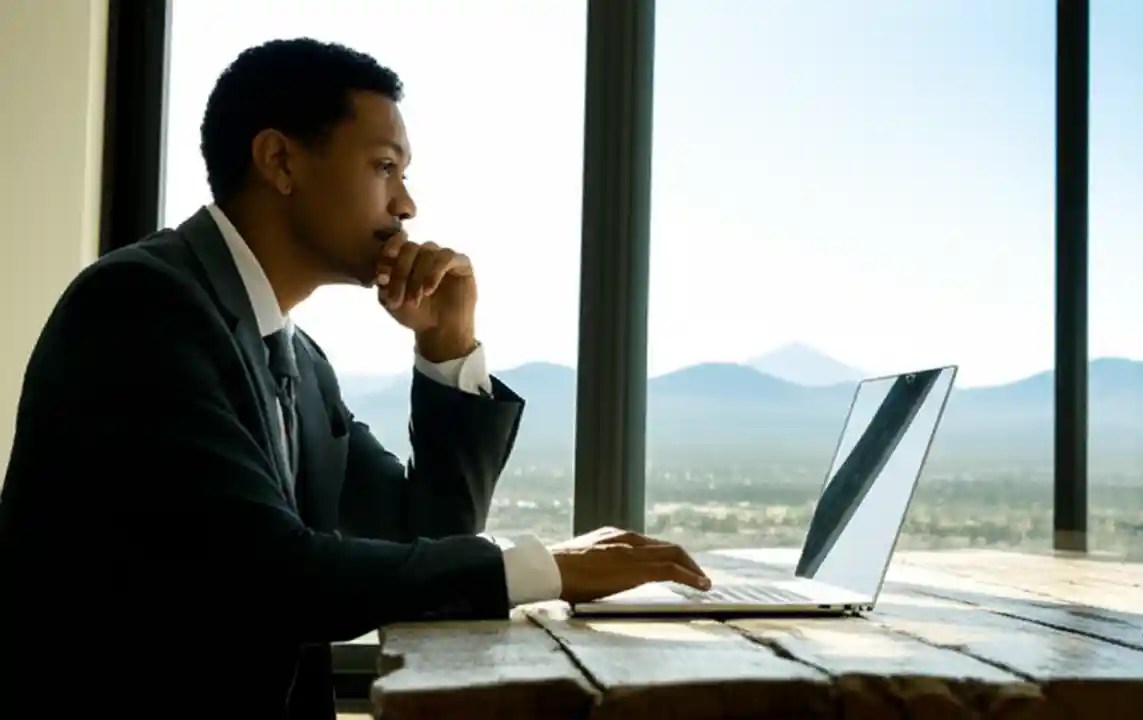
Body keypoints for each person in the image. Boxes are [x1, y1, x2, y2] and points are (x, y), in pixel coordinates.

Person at [0, 38, 709, 719]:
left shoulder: (300, 361)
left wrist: (446, 349)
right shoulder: (137, 308)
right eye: (384, 167)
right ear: (280, 161)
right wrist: (543, 568)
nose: (406, 205)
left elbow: (426, 531)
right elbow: (276, 578)